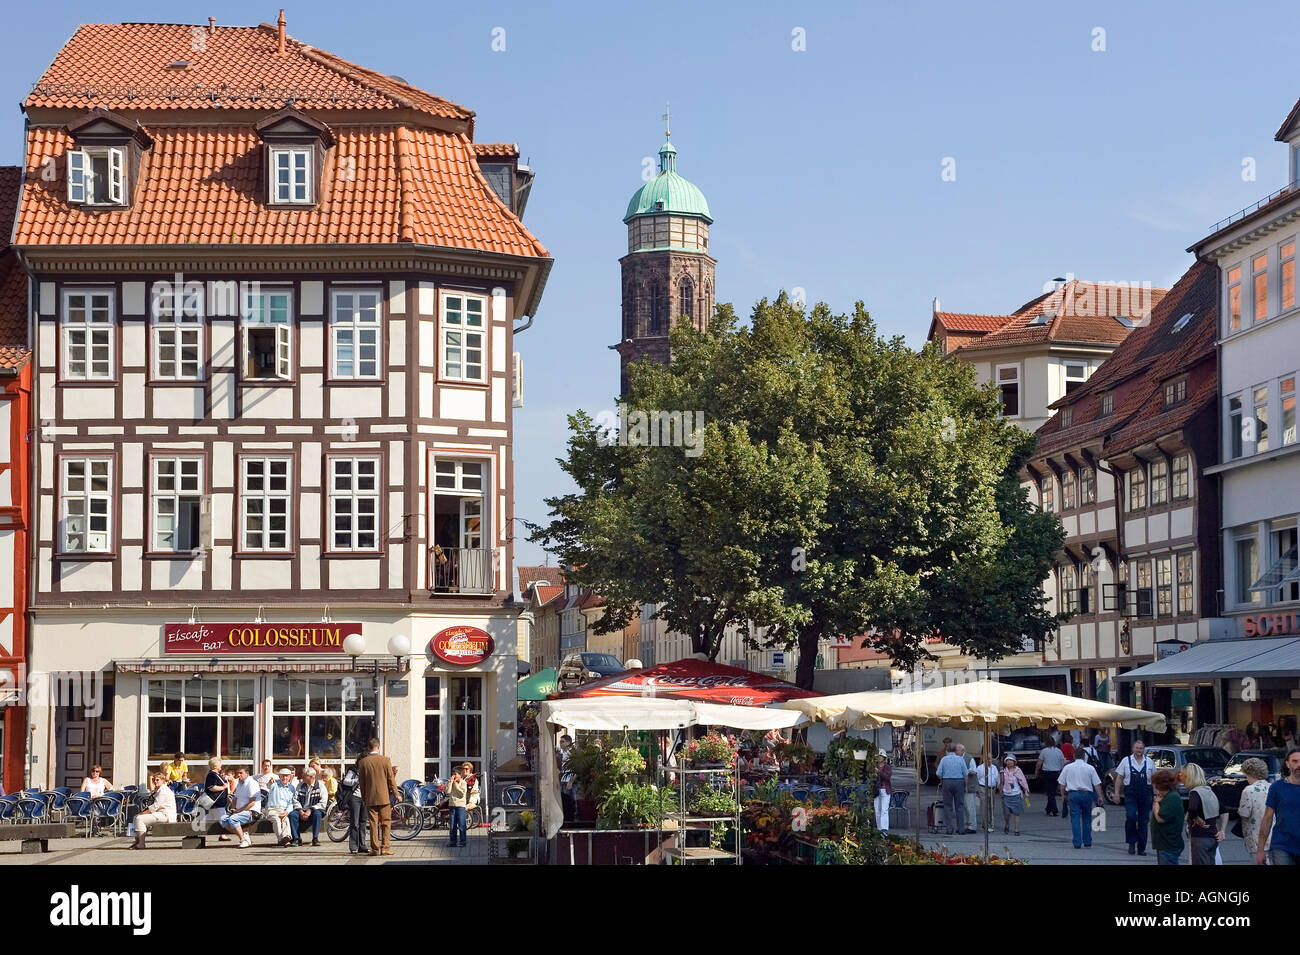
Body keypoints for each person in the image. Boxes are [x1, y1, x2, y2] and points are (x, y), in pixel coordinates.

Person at [357, 737, 400, 856]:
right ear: (378, 747)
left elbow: (362, 783)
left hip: (370, 798)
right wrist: (396, 794)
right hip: (384, 797)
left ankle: (375, 849)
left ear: (368, 748)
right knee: (386, 822)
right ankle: (385, 847)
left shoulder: (363, 762)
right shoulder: (385, 760)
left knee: (373, 823)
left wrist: (364, 798)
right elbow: (391, 780)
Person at [1257, 749, 1300, 865]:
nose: (1298, 765)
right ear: (1287, 764)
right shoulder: (1277, 787)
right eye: (1295, 761)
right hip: (1282, 845)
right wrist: (1260, 849)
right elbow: (1267, 818)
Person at [1114, 740, 1154, 856]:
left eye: (1141, 748)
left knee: (1143, 821)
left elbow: (1154, 781)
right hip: (1131, 794)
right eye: (1137, 748)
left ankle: (1141, 847)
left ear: (1143, 749)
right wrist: (1116, 793)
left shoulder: (1149, 762)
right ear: (1133, 749)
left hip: (1145, 795)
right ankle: (1131, 842)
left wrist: (1157, 795)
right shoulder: (1126, 761)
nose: (1139, 750)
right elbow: (1119, 778)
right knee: (1131, 817)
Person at [1058, 746, 1103, 849]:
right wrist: (1099, 796)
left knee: (1075, 818)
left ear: (1074, 756)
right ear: (1084, 756)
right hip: (1086, 794)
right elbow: (1097, 784)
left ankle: (1077, 842)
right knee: (1087, 817)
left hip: (1073, 794)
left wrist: (1063, 795)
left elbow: (1062, 784)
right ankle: (1087, 841)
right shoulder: (1090, 768)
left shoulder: (1067, 767)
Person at [1182, 763, 1226, 865]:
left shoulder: (1195, 792)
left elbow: (1192, 808)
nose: (1181, 778)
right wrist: (1222, 830)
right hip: (1212, 835)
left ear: (1190, 777)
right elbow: (1224, 811)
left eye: (1183, 775)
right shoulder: (1208, 790)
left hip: (1200, 837)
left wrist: (1196, 818)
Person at [129, 772, 178, 849]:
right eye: (154, 780)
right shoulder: (158, 789)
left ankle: (141, 844)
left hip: (166, 815)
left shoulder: (164, 791)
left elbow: (155, 807)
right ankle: (137, 842)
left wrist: (142, 813)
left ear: (162, 780)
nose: (155, 781)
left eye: (157, 780)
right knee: (136, 818)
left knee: (139, 818)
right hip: (159, 813)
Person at [1236, 757, 1272, 859]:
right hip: (1273, 837)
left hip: (1255, 838)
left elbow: (1244, 814)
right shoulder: (1271, 787)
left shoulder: (1248, 791)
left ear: (1248, 773)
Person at [219, 765, 263, 849]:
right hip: (240, 812)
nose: (238, 775)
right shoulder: (239, 783)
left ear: (247, 773)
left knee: (233, 819)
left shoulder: (252, 783)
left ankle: (243, 840)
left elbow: (252, 802)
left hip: (252, 812)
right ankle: (244, 836)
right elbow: (235, 798)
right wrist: (233, 808)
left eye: (241, 773)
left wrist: (239, 811)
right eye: (237, 773)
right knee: (223, 819)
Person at [1150, 768, 1184, 865]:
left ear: (1159, 784)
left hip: (1168, 845)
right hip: (1165, 844)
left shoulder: (1172, 798)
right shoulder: (1168, 796)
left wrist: (1156, 803)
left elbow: (1160, 818)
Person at [291, 767, 329, 847]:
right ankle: (296, 838)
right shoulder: (300, 785)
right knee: (292, 815)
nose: (302, 777)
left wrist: (310, 810)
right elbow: (295, 799)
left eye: (305, 775)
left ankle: (315, 838)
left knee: (317, 814)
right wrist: (300, 810)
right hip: (302, 809)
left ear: (311, 777)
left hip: (315, 809)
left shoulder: (320, 786)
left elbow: (323, 803)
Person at [936, 744, 968, 835]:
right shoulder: (960, 759)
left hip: (947, 782)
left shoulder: (944, 759)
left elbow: (938, 773)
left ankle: (949, 828)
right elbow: (965, 774)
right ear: (955, 750)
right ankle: (961, 829)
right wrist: (966, 786)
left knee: (947, 806)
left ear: (947, 750)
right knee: (960, 806)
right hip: (959, 782)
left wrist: (942, 779)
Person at [264, 768, 297, 847]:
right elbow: (268, 785)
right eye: (283, 776)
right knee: (276, 820)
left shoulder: (291, 788)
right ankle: (282, 839)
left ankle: (286, 837)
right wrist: (270, 782)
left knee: (286, 819)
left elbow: (291, 802)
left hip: (283, 810)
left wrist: (287, 811)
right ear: (279, 776)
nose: (284, 778)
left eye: (286, 776)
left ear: (289, 777)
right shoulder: (274, 784)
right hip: (272, 809)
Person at [339, 760, 366, 855]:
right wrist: (357, 780)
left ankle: (362, 846)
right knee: (354, 822)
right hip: (355, 797)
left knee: (363, 822)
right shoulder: (353, 770)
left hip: (366, 798)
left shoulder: (368, 769)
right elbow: (345, 781)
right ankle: (353, 846)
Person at [202, 756, 231, 841]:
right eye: (219, 764)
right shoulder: (212, 775)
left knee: (210, 818)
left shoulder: (215, 774)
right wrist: (223, 787)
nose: (221, 765)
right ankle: (222, 835)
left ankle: (195, 829)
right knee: (223, 818)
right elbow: (211, 787)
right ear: (215, 765)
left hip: (216, 802)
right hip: (216, 802)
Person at [1035, 740, 1065, 817]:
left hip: (1047, 773)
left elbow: (1039, 763)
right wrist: (1062, 773)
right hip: (1057, 773)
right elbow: (1062, 763)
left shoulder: (1044, 751)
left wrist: (1037, 771)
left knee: (1050, 792)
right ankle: (1048, 809)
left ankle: (1055, 810)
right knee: (1052, 792)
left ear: (1046, 743)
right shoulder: (1059, 751)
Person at [999, 755, 1028, 835]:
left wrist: (1026, 790)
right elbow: (1000, 782)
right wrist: (1000, 791)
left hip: (1016, 794)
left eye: (1011, 760)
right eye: (1007, 760)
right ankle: (1007, 823)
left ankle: (1016, 829)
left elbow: (1023, 781)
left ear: (1014, 762)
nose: (1009, 762)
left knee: (1016, 813)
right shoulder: (1003, 772)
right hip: (1006, 794)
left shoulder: (1018, 771)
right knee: (1007, 814)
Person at [976, 753, 1000, 833]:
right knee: (984, 806)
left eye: (990, 759)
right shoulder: (980, 768)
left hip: (992, 789)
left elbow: (997, 777)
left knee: (992, 806)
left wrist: (998, 785)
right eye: (987, 759)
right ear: (984, 759)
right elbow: (978, 778)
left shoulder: (994, 767)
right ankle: (985, 824)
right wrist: (978, 790)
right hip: (983, 788)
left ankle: (991, 823)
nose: (989, 760)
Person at [956, 744, 978, 834]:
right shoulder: (956, 758)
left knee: (970, 807)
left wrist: (964, 771)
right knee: (962, 807)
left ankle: (972, 826)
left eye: (957, 750)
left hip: (969, 786)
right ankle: (964, 826)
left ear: (962, 750)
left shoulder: (969, 758)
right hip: (959, 787)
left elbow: (974, 771)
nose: (955, 752)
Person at [558, 734, 576, 823]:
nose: (560, 743)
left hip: (568, 780)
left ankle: (571, 818)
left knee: (569, 800)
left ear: (568, 742)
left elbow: (575, 768)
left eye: (562, 741)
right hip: (563, 780)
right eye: (560, 741)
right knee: (564, 800)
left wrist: (571, 781)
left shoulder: (570, 753)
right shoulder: (563, 753)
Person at [447, 770, 468, 848]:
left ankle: (463, 841)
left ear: (460, 775)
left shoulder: (463, 783)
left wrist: (455, 784)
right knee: (452, 825)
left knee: (461, 824)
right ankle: (453, 841)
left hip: (460, 806)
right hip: (452, 805)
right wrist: (450, 783)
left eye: (455, 774)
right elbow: (448, 792)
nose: (453, 776)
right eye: (452, 774)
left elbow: (461, 794)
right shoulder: (450, 782)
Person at [874, 753, 892, 832]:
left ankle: (884, 829)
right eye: (878, 756)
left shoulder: (887, 767)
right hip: (876, 791)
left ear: (884, 758)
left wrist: (879, 772)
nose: (879, 758)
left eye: (881, 756)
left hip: (885, 790)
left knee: (884, 810)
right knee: (877, 810)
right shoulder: (874, 766)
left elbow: (887, 777)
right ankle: (879, 829)